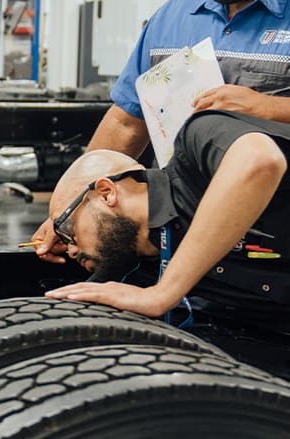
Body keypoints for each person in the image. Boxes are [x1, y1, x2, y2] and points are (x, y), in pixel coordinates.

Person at [34, 0, 290, 261]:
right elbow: (126, 124)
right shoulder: (171, 17)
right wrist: (69, 211)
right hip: (178, 230)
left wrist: (268, 106)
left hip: (271, 235)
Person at [41, 110, 289, 322]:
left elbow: (259, 161)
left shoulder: (197, 140)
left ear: (106, 193)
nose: (71, 250)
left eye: (66, 228)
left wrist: (163, 294)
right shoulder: (144, 268)